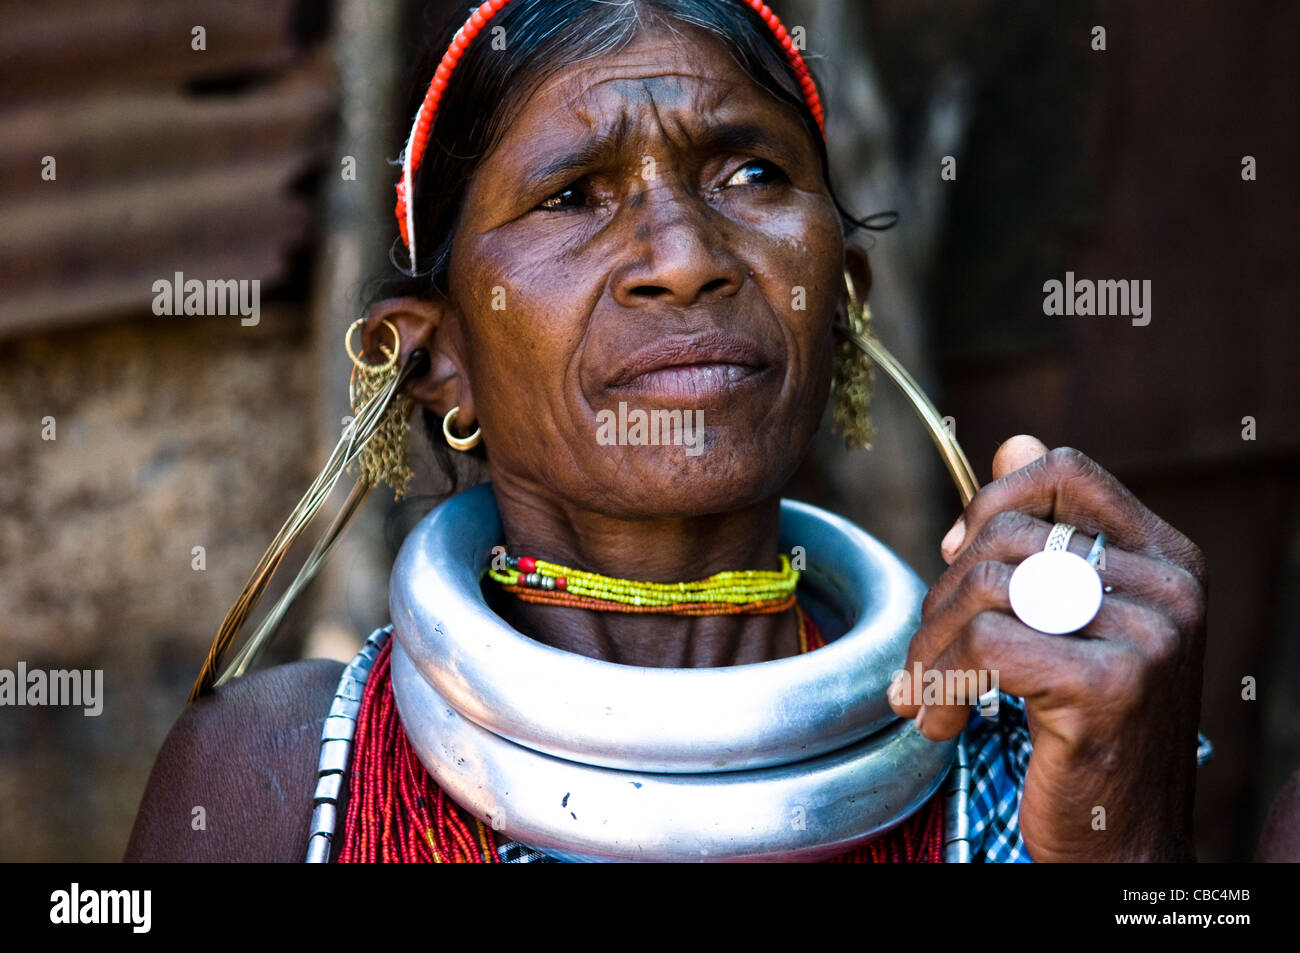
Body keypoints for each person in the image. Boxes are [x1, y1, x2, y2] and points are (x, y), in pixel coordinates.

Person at [125, 0, 1208, 863]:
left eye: (750, 173)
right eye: (572, 195)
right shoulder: (276, 779)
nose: (685, 255)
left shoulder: (1053, 737)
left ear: (840, 303)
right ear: (433, 355)